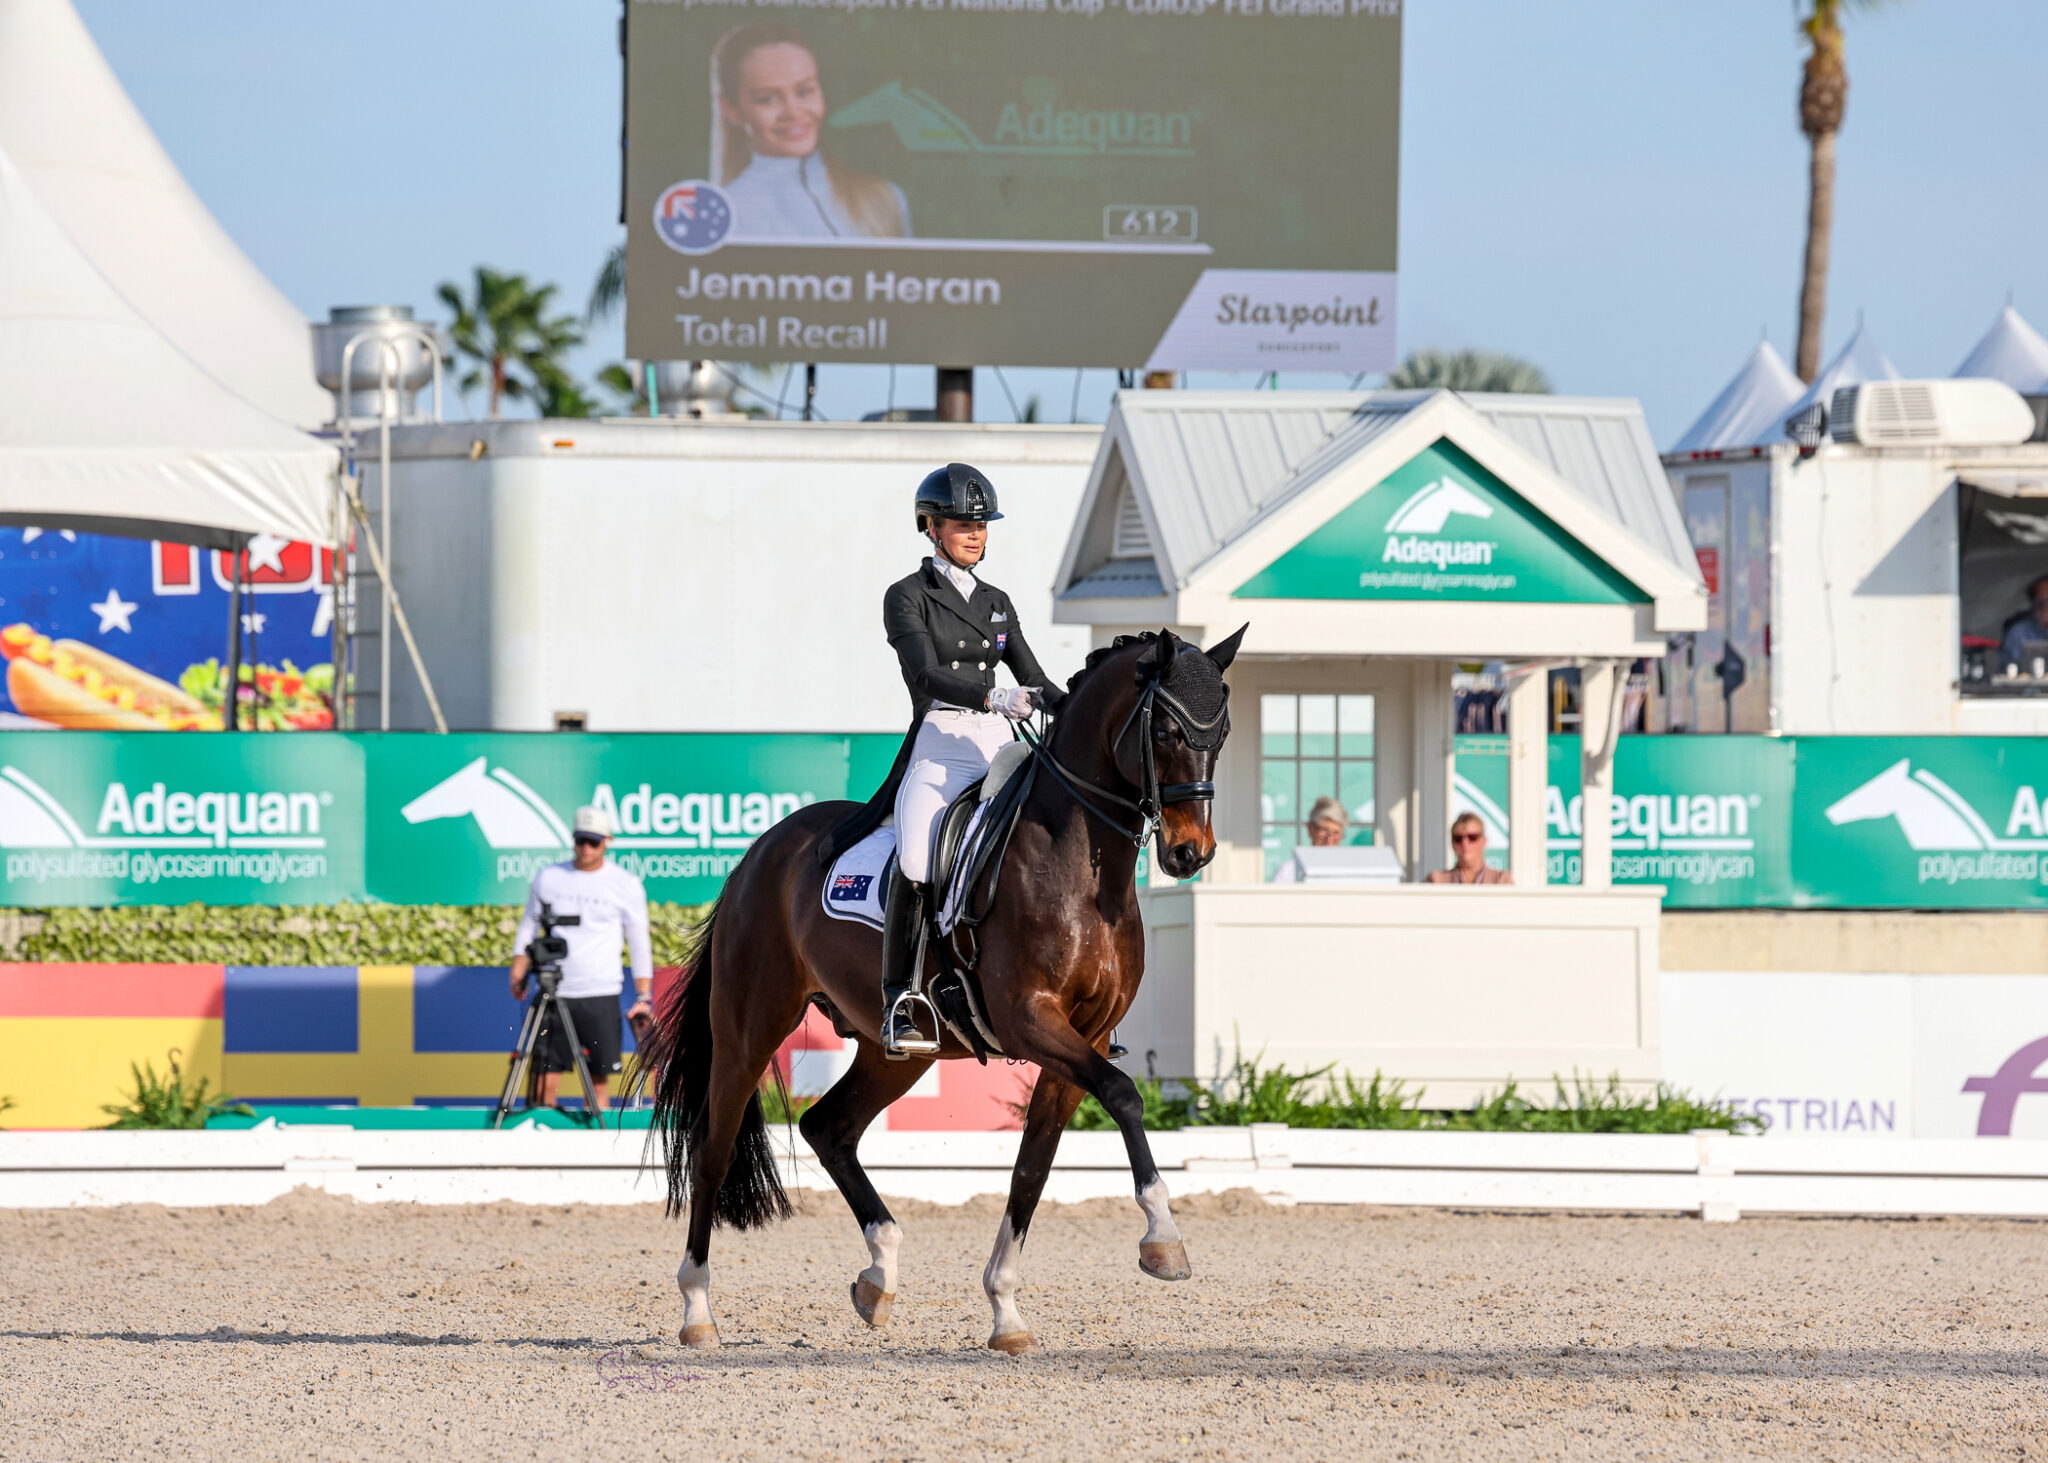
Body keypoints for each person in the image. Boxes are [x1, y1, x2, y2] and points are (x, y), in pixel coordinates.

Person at [819, 463, 1066, 1058]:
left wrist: (1080, 706)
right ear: (931, 527)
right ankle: (901, 996)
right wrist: (991, 695)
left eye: (982, 524)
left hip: (997, 746)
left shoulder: (997, 603)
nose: (976, 533)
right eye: (963, 523)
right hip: (940, 739)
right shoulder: (906, 596)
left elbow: (1033, 677)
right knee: (917, 855)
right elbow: (923, 673)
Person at [508, 806, 653, 1112]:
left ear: (607, 841)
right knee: (543, 1079)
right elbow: (528, 928)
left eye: (593, 841)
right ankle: (541, 1146)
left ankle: (595, 1151)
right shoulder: (548, 877)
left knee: (597, 1080)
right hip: (552, 991)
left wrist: (643, 995)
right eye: (580, 840)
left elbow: (639, 942)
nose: (585, 848)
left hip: (600, 992)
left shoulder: (625, 883)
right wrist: (518, 971)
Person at [710, 24, 911, 240]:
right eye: (766, 99)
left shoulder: (885, 199)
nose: (793, 112)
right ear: (731, 109)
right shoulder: (725, 216)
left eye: (805, 91)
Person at [1269, 796, 1349, 883]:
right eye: (1324, 830)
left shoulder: (1351, 871)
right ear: (1310, 829)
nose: (1329, 838)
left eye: (1336, 832)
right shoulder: (1289, 871)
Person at [1425, 812, 1512, 885]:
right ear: (1452, 843)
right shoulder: (1436, 880)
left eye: (1472, 837)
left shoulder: (1501, 880)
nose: (1465, 843)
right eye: (1458, 838)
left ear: (1484, 841)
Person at [1998, 575, 2048, 675]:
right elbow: (2008, 669)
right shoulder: (2019, 633)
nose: (2045, 608)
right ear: (2033, 605)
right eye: (2041, 603)